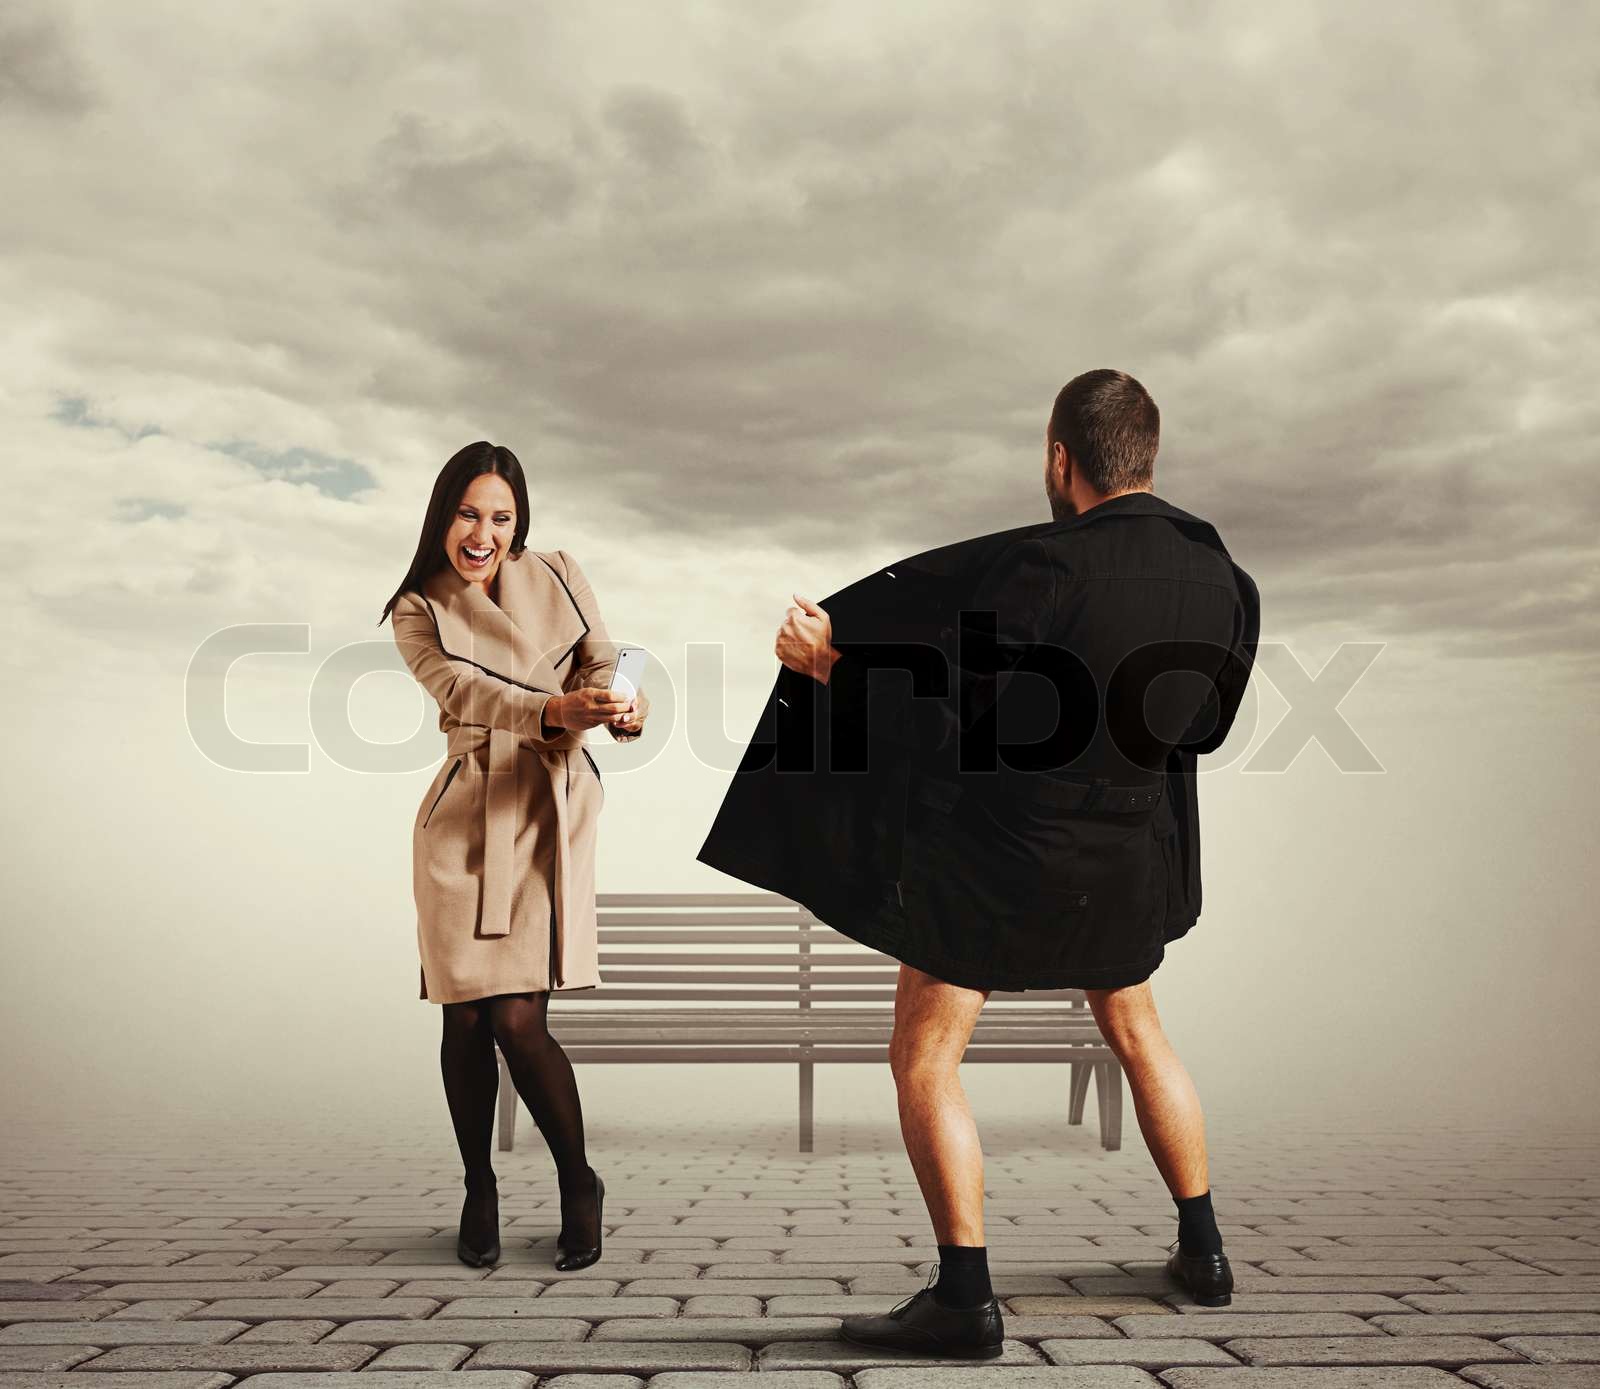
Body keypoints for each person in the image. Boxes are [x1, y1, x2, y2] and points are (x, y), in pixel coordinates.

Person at [698, 369, 1260, 1357]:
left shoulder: (1045, 568)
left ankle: (963, 1298)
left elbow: (946, 721)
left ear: (1059, 457)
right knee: (1138, 1033)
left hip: (1005, 857)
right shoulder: (1224, 579)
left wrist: (829, 665)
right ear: (1148, 454)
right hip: (1129, 855)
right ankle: (1206, 1255)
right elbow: (1203, 730)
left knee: (923, 1056)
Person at [382, 441, 648, 1272]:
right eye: (468, 513)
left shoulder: (560, 570)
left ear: (519, 519)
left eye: (500, 516)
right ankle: (478, 1184)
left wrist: (622, 704)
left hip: (543, 808)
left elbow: (604, 655)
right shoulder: (416, 605)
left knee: (517, 1016)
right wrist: (558, 705)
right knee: (463, 1015)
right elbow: (468, 693)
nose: (483, 532)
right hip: (465, 814)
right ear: (442, 515)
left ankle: (578, 1179)